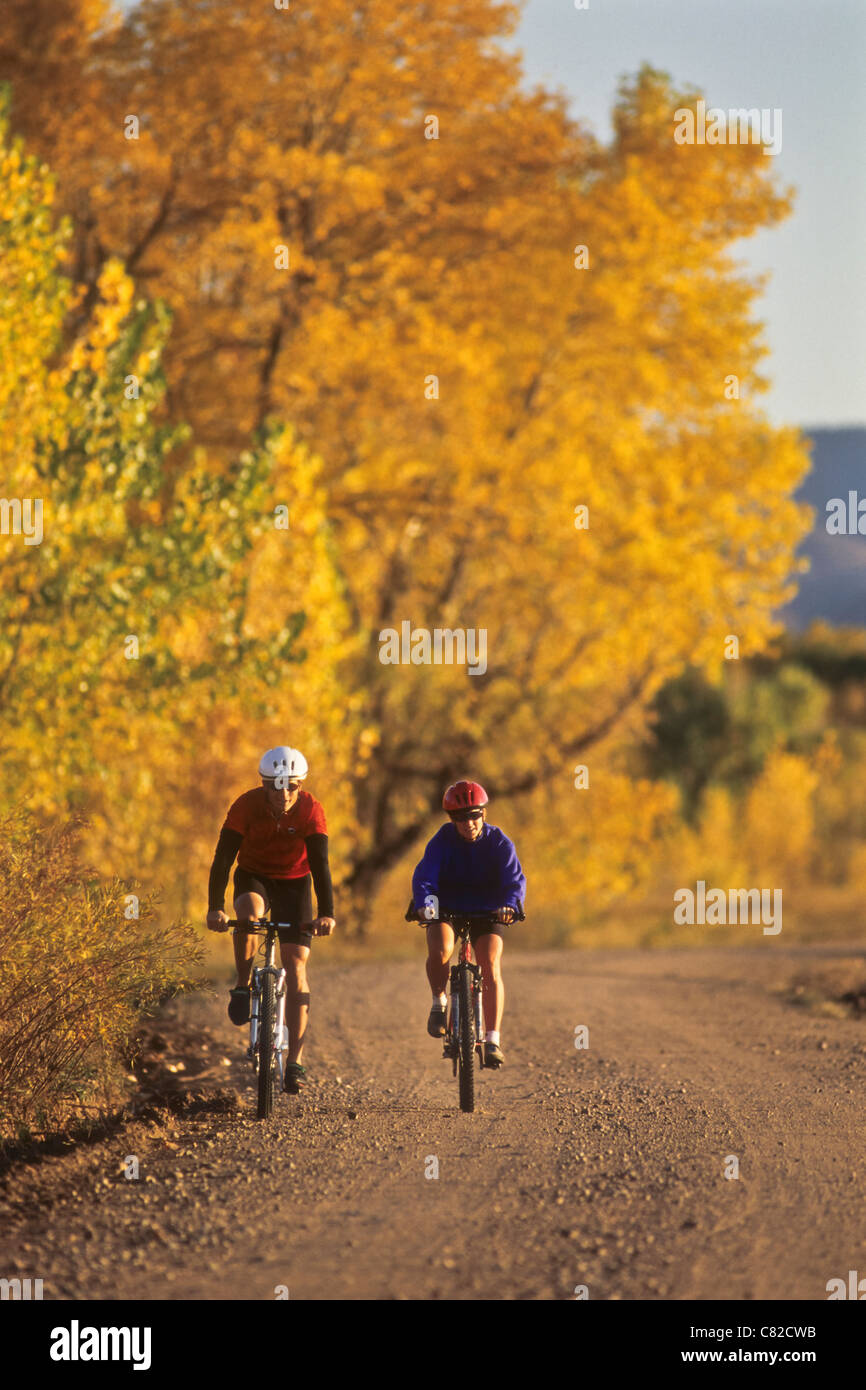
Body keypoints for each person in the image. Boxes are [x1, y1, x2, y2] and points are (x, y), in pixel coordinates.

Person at [206, 745, 336, 1093]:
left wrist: (327, 914)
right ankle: (244, 985)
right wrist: (215, 906)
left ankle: (294, 1061)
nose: (283, 794)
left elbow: (321, 865)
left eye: (291, 786)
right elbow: (222, 860)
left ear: (301, 785)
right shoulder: (245, 806)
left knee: (297, 967)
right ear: (263, 784)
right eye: (275, 786)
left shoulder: (311, 810)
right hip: (255, 876)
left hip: (295, 883)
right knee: (248, 913)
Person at [411, 780, 525, 1067]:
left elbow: (514, 881)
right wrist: (425, 904)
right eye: (461, 818)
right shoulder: (442, 840)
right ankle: (439, 1003)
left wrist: (510, 906)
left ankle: (493, 1039)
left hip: (489, 910)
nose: (468, 823)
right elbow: (424, 877)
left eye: (474, 815)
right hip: (447, 906)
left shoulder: (499, 842)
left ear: (483, 814)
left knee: (489, 962)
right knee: (441, 951)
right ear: (452, 820)